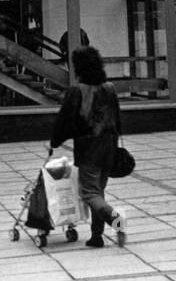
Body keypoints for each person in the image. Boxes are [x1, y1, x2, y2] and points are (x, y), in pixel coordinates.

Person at [49, 45, 126, 248]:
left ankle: (116, 220)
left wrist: (55, 141)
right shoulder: (109, 88)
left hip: (89, 147)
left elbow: (65, 120)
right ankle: (96, 236)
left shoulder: (77, 91)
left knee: (88, 193)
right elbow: (117, 119)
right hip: (108, 146)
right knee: (98, 192)